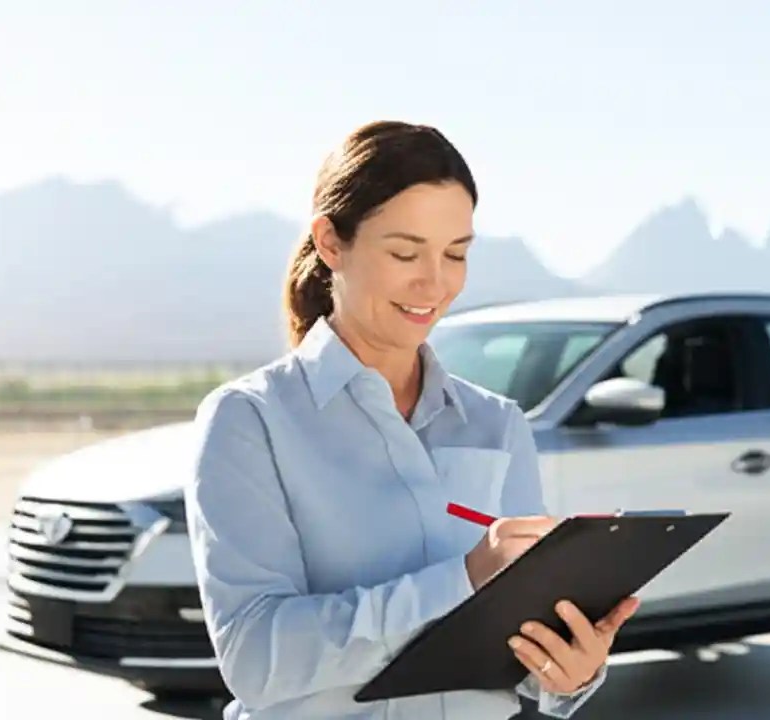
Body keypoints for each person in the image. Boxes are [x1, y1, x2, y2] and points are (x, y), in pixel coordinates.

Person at [184, 120, 640, 720]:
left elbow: (526, 659)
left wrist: (571, 670)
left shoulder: (496, 424)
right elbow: (254, 657)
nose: (435, 282)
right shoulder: (251, 420)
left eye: (456, 254)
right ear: (330, 243)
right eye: (405, 252)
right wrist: (463, 580)